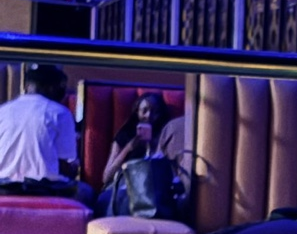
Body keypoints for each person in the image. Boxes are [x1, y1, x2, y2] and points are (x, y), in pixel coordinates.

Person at [0, 63, 94, 207]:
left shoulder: (3, 110)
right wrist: (75, 167)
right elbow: (63, 167)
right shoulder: (60, 113)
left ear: (26, 85)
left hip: (3, 187)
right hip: (43, 189)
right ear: (53, 87)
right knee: (86, 192)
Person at [94, 92, 170, 217]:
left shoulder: (165, 135)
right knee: (123, 199)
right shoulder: (124, 135)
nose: (149, 116)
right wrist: (128, 148)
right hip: (121, 183)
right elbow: (106, 177)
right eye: (144, 111)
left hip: (150, 186)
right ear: (137, 112)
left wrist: (154, 146)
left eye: (155, 112)